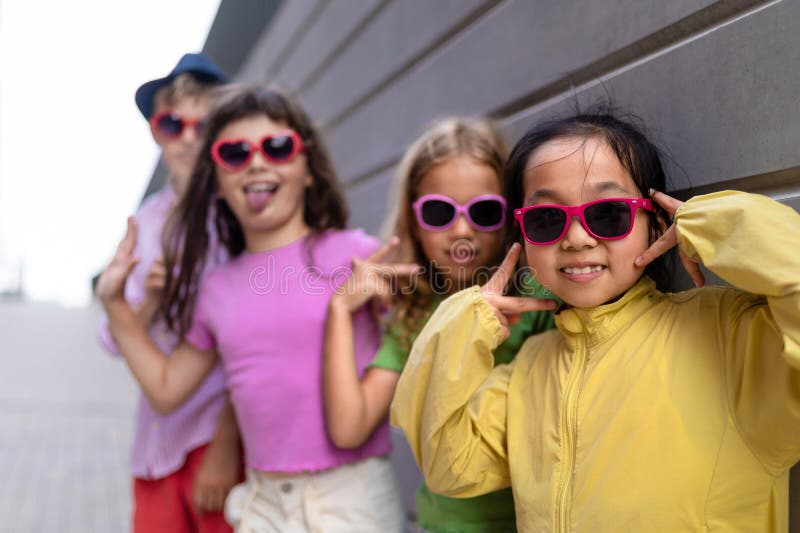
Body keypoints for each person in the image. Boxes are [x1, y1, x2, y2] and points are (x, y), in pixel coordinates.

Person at [391, 111, 800, 532]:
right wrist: (465, 323)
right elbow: (447, 464)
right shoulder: (529, 368)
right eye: (546, 219)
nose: (577, 238)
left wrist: (718, 225)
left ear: (657, 224)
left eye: (608, 214)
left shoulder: (729, 336)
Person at [97, 85, 405, 532]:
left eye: (277, 147)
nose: (257, 161)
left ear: (309, 168)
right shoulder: (217, 289)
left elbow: (427, 315)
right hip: (261, 504)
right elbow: (165, 388)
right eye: (235, 152)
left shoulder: (358, 255)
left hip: (350, 497)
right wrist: (114, 305)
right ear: (216, 181)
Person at [323, 117, 556, 532]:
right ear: (413, 220)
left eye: (484, 212)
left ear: (508, 216)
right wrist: (340, 311)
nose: (461, 230)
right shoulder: (416, 315)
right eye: (438, 212)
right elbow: (349, 426)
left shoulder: (537, 298)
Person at [97, 52, 241, 533]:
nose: (186, 137)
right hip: (155, 442)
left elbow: (252, 343)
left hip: (214, 437)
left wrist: (226, 444)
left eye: (202, 125)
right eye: (171, 123)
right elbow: (112, 339)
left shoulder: (238, 215)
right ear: (155, 130)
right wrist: (150, 302)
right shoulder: (148, 220)